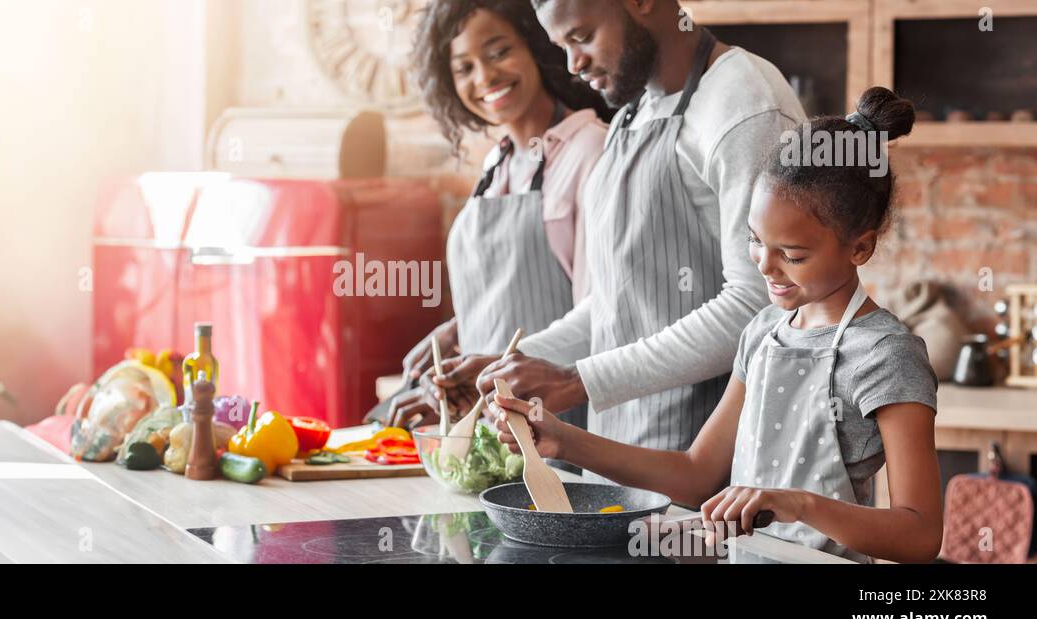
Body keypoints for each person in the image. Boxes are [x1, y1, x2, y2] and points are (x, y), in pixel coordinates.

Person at [490, 88, 943, 563]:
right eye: (754, 240)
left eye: (793, 255)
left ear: (860, 248)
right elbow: (697, 472)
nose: (766, 267)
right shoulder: (765, 332)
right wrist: (564, 439)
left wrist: (799, 505)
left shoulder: (885, 355)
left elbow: (919, 535)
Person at [451, 0, 804, 469]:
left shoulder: (744, 103)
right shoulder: (630, 117)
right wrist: (511, 360)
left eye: (581, 38)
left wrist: (582, 380)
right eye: (562, 47)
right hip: (627, 463)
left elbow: (759, 304)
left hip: (720, 478)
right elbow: (616, 305)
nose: (574, 66)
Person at [388, 0, 611, 428]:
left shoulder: (588, 151)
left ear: (536, 45)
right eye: (464, 67)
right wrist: (458, 332)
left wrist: (496, 363)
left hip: (561, 429)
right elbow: (514, 290)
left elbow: (600, 313)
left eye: (498, 52)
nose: (485, 77)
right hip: (493, 425)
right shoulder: (497, 164)